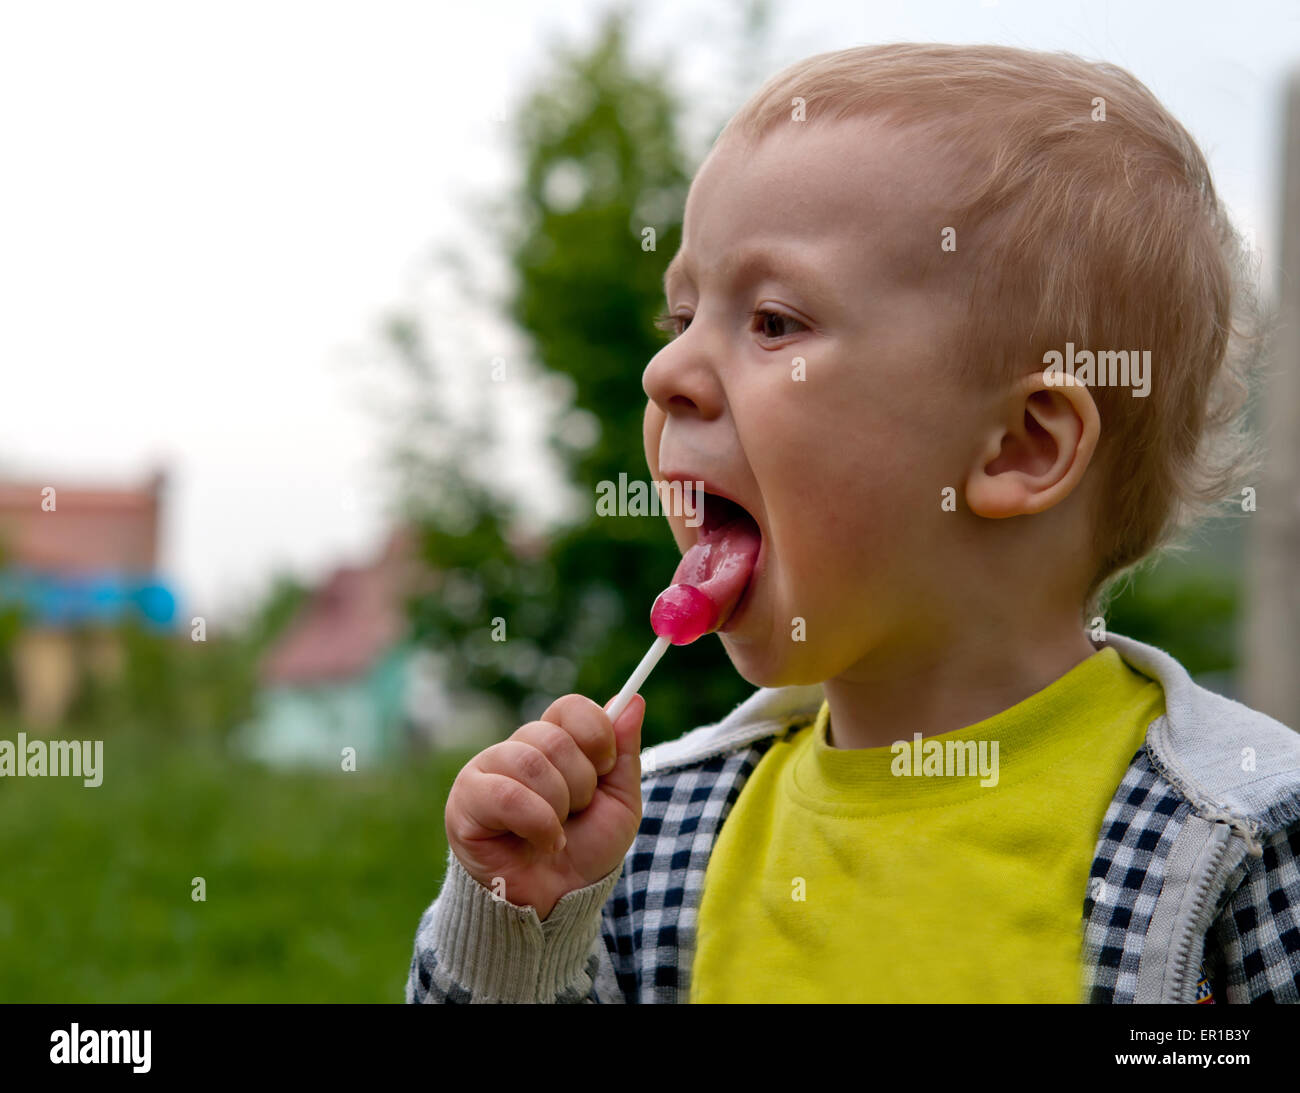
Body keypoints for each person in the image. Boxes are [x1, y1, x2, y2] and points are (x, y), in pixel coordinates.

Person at [406, 43, 1300, 1003]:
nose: (664, 375)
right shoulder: (649, 842)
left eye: (775, 322)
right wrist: (519, 933)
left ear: (1020, 449)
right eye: (682, 320)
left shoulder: (1236, 839)